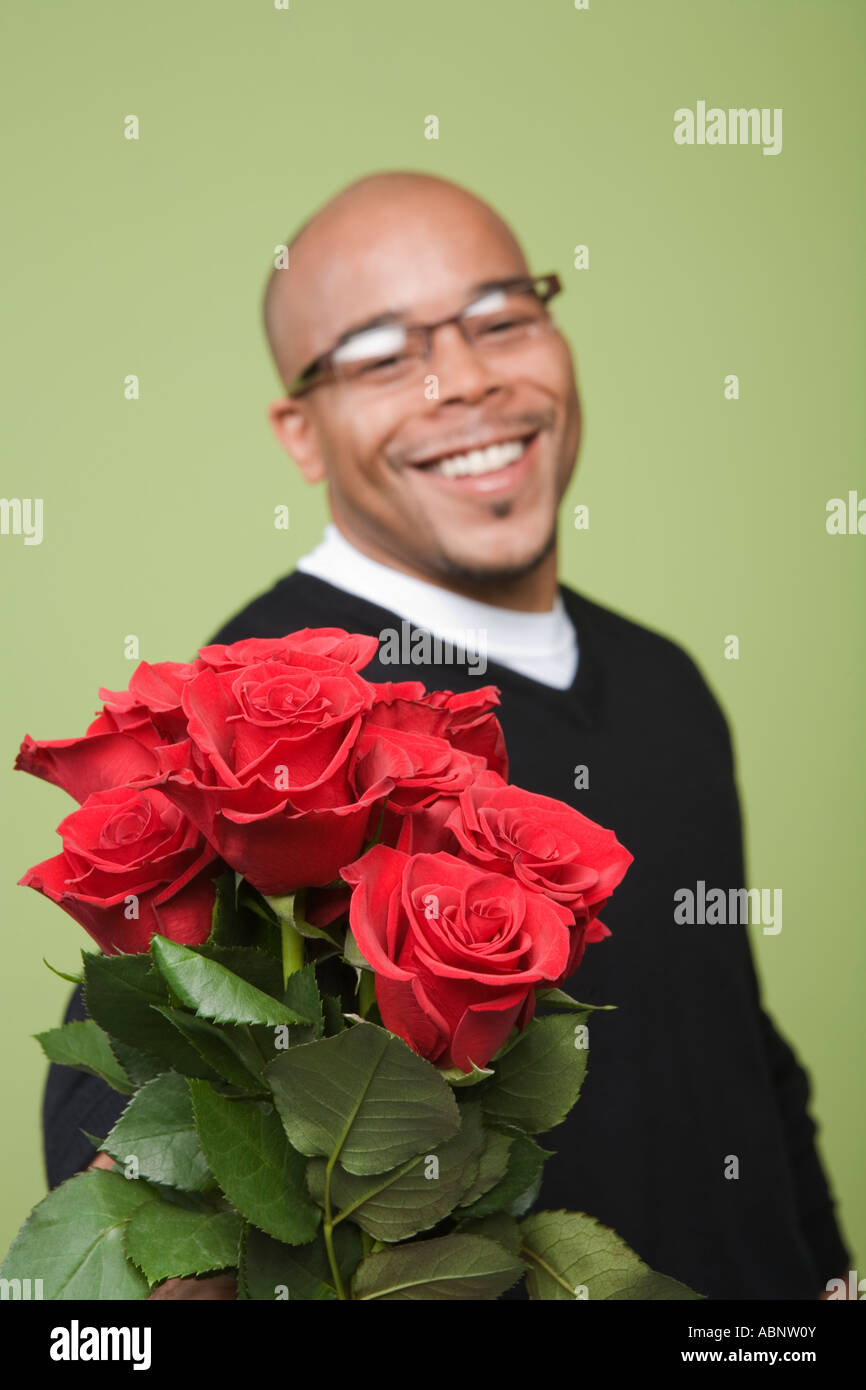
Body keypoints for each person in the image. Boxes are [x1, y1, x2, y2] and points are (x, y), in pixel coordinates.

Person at [44, 171, 849, 1300]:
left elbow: (733, 1048)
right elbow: (131, 1145)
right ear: (300, 432)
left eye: (501, 319)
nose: (464, 377)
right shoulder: (261, 734)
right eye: (379, 353)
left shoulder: (666, 681)